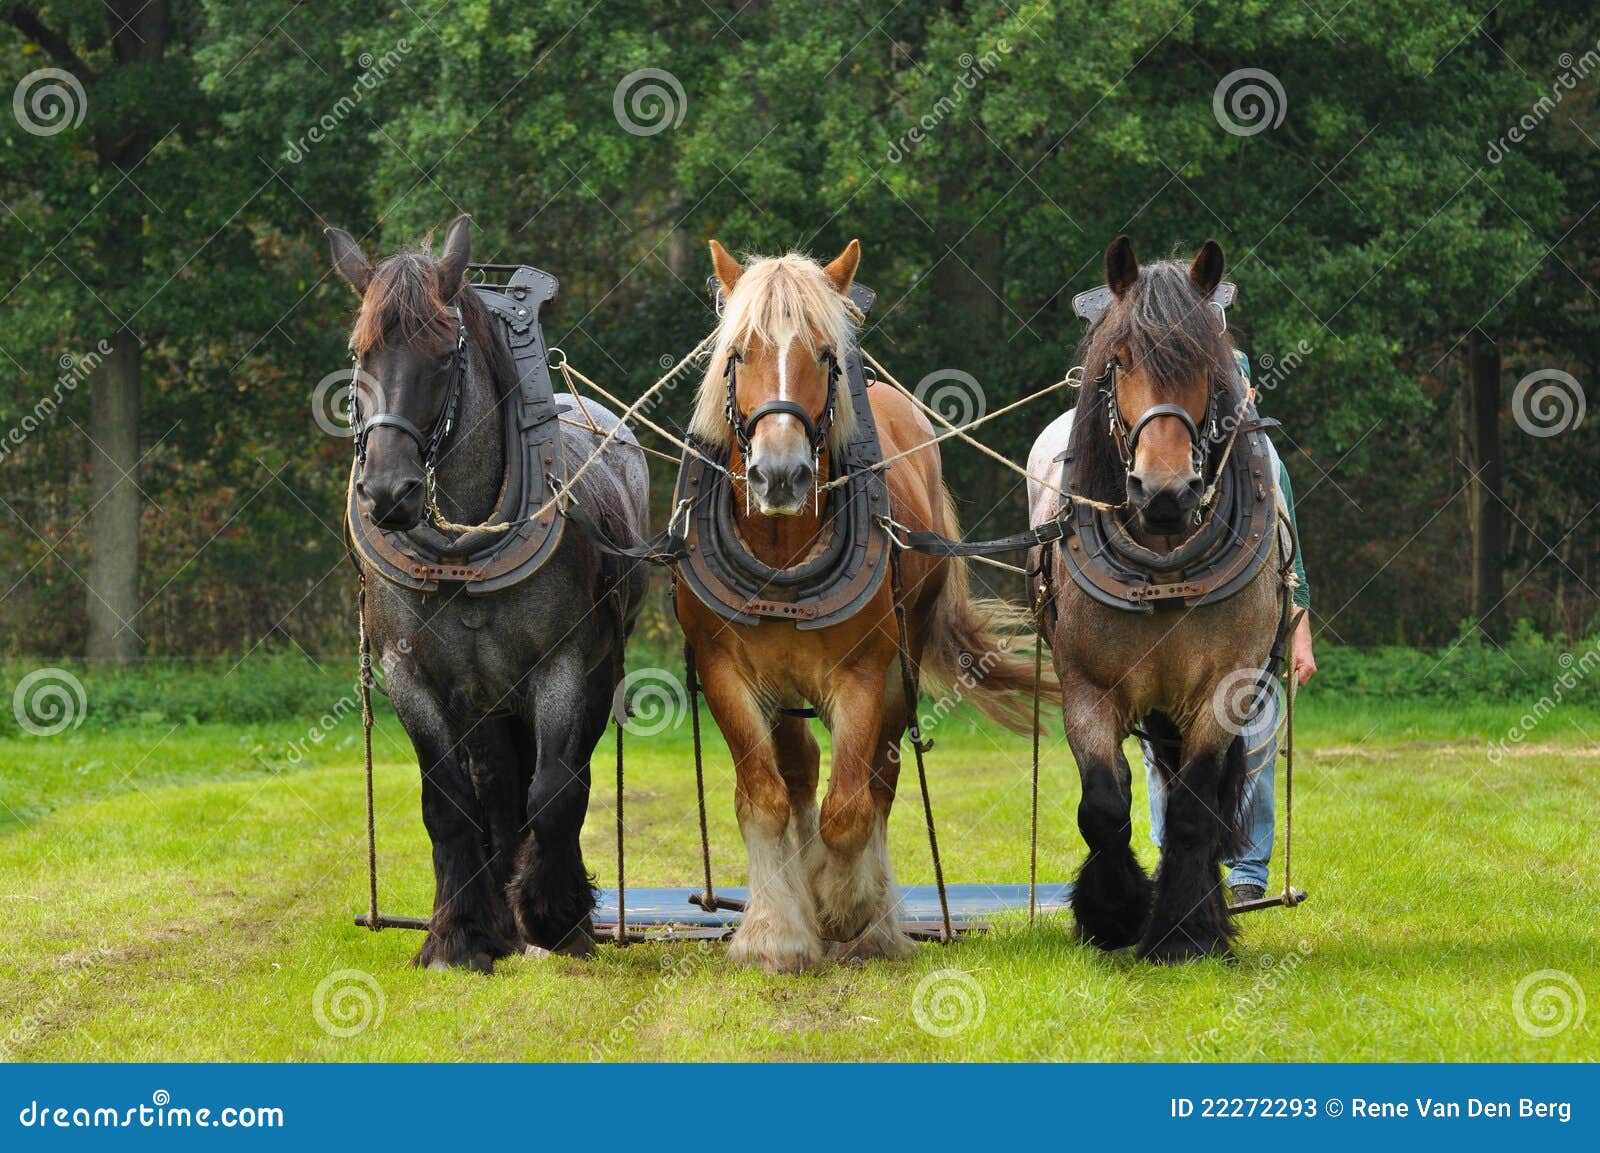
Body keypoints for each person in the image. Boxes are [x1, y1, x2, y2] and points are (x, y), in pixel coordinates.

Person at [1142, 349, 1315, 902]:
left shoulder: (1266, 463)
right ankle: (1173, 862)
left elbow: (1291, 559)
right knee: (1159, 753)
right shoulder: (1167, 462)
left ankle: (1246, 875)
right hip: (1174, 640)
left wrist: (1300, 635)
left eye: (1243, 382)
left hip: (1254, 629)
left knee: (1258, 744)